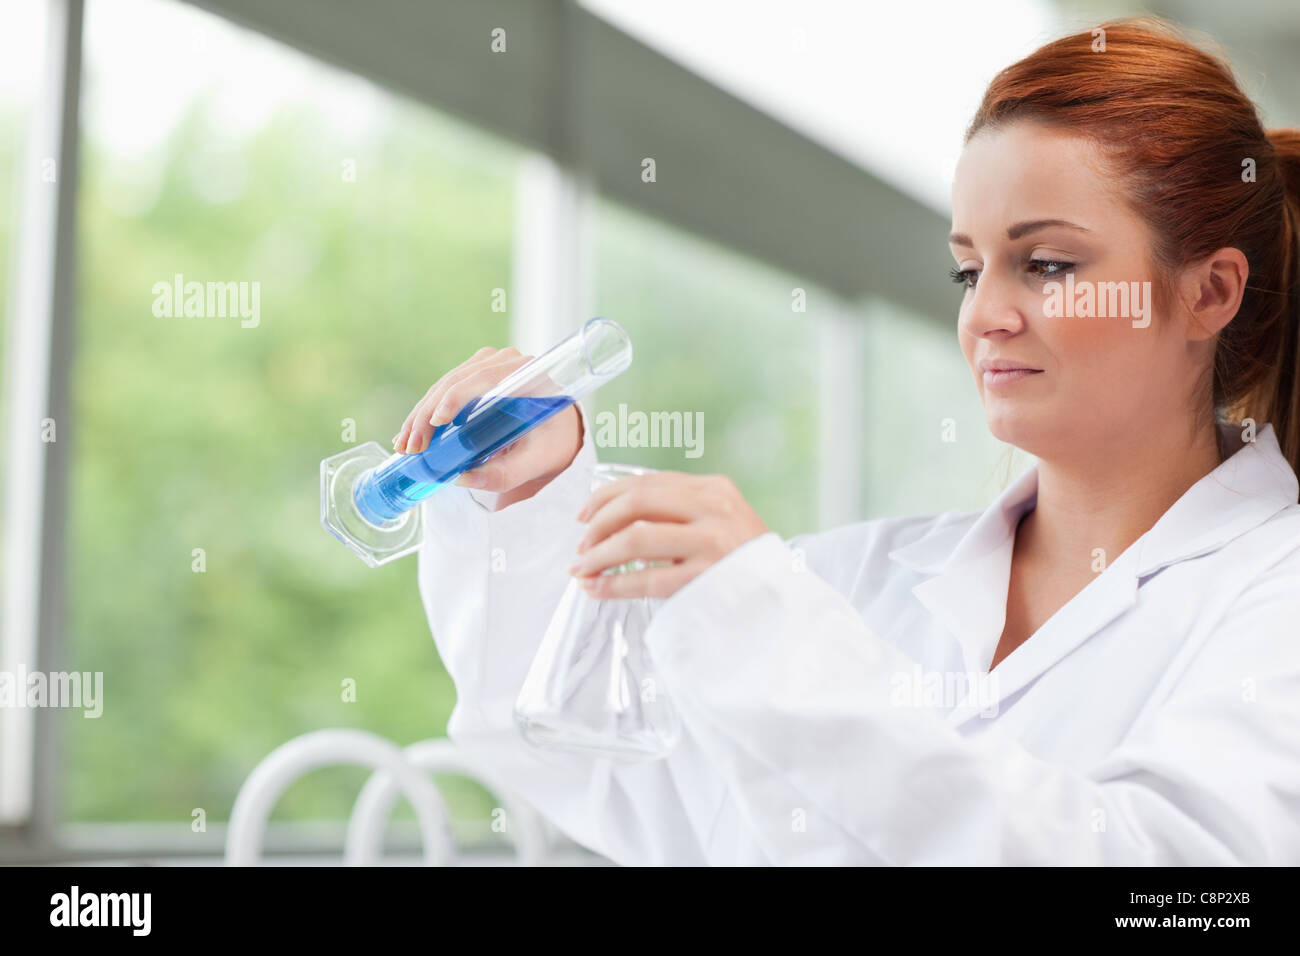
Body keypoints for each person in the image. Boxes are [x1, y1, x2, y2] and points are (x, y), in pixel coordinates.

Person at [392, 17, 1300, 865]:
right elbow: (600, 759)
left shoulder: (1272, 600)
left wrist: (777, 642)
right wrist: (534, 497)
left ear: (1208, 293)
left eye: (1048, 264)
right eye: (969, 268)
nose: (983, 315)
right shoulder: (859, 581)